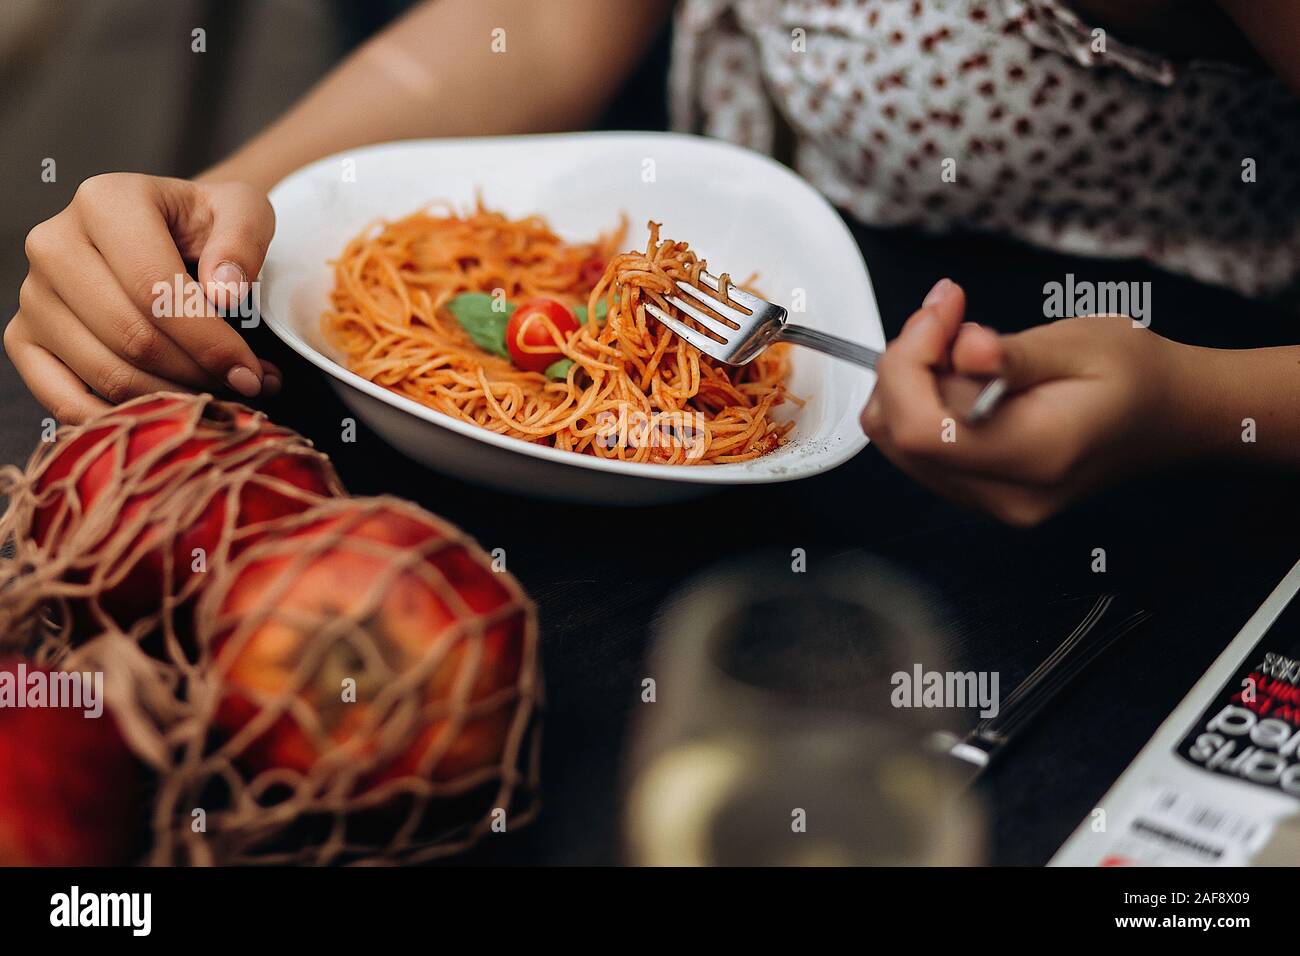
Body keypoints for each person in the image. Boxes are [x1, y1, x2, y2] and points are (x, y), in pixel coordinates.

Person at [7, 0, 1300, 526]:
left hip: (1114, 401)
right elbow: (549, 18)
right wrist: (244, 205)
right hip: (729, 269)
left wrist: (1200, 405)